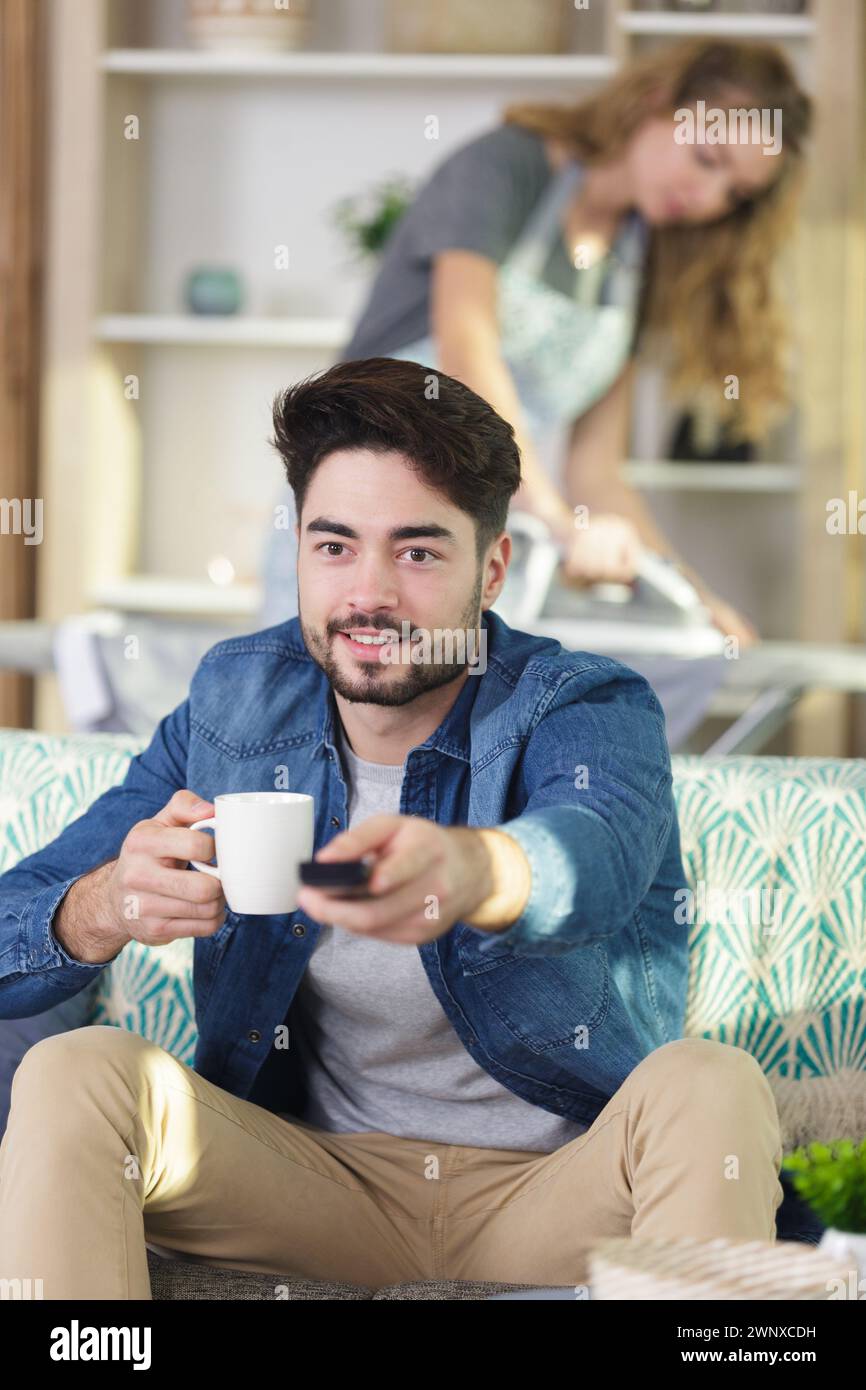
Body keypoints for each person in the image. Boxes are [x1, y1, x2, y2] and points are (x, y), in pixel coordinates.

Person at [0, 359, 783, 1298]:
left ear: (491, 569)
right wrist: (101, 908)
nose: (368, 595)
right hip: (316, 1187)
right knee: (75, 1071)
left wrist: (475, 870)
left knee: (711, 1083)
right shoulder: (234, 703)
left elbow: (597, 854)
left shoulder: (584, 703)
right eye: (335, 546)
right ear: (298, 550)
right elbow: (19, 918)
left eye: (417, 552)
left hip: (555, 1195)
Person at [261, 37, 812, 651]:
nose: (709, 200)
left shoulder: (641, 261)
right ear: (657, 101)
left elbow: (596, 471)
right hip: (362, 521)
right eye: (709, 159)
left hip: (475, 532)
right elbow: (466, 358)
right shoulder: (504, 168)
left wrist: (691, 597)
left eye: (735, 195)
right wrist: (552, 519)